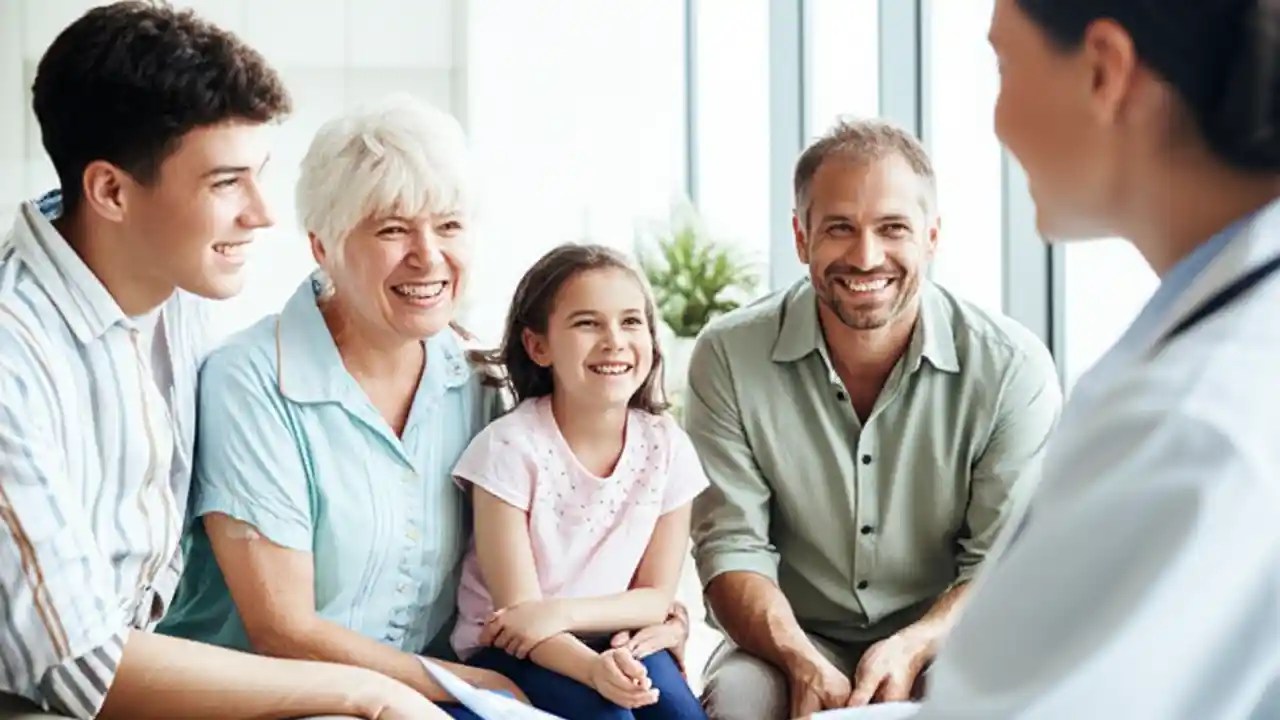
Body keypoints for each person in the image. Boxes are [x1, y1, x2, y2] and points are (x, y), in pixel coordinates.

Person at [816, 1, 1280, 718]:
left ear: (1103, 70)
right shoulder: (1223, 345)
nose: (997, 119)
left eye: (1004, 65)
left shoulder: (1197, 415)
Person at [0, 4, 438, 719]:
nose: (262, 213)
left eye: (258, 174)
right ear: (110, 190)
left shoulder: (174, 284)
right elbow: (84, 671)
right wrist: (367, 691)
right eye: (225, 182)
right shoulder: (14, 358)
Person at [153, 94, 521, 719]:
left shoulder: (484, 382)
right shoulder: (250, 381)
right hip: (271, 701)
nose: (428, 255)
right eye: (392, 228)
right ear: (321, 246)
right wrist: (466, 686)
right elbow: (283, 631)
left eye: (450, 225)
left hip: (420, 697)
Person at [686, 118, 1062, 720]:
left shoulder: (1012, 369)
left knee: (989, 699)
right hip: (785, 641)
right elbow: (733, 547)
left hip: (948, 637)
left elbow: (1000, 561)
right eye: (839, 228)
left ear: (931, 237)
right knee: (738, 702)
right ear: (801, 236)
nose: (866, 257)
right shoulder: (728, 356)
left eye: (893, 229)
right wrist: (798, 657)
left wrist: (915, 645)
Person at [454, 243, 709, 720]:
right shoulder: (508, 449)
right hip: (514, 648)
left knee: (681, 715)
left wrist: (569, 617)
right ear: (538, 346)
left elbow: (654, 597)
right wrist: (593, 668)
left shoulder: (667, 447)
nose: (614, 340)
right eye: (587, 323)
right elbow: (521, 616)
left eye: (631, 321)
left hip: (607, 630)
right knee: (608, 715)